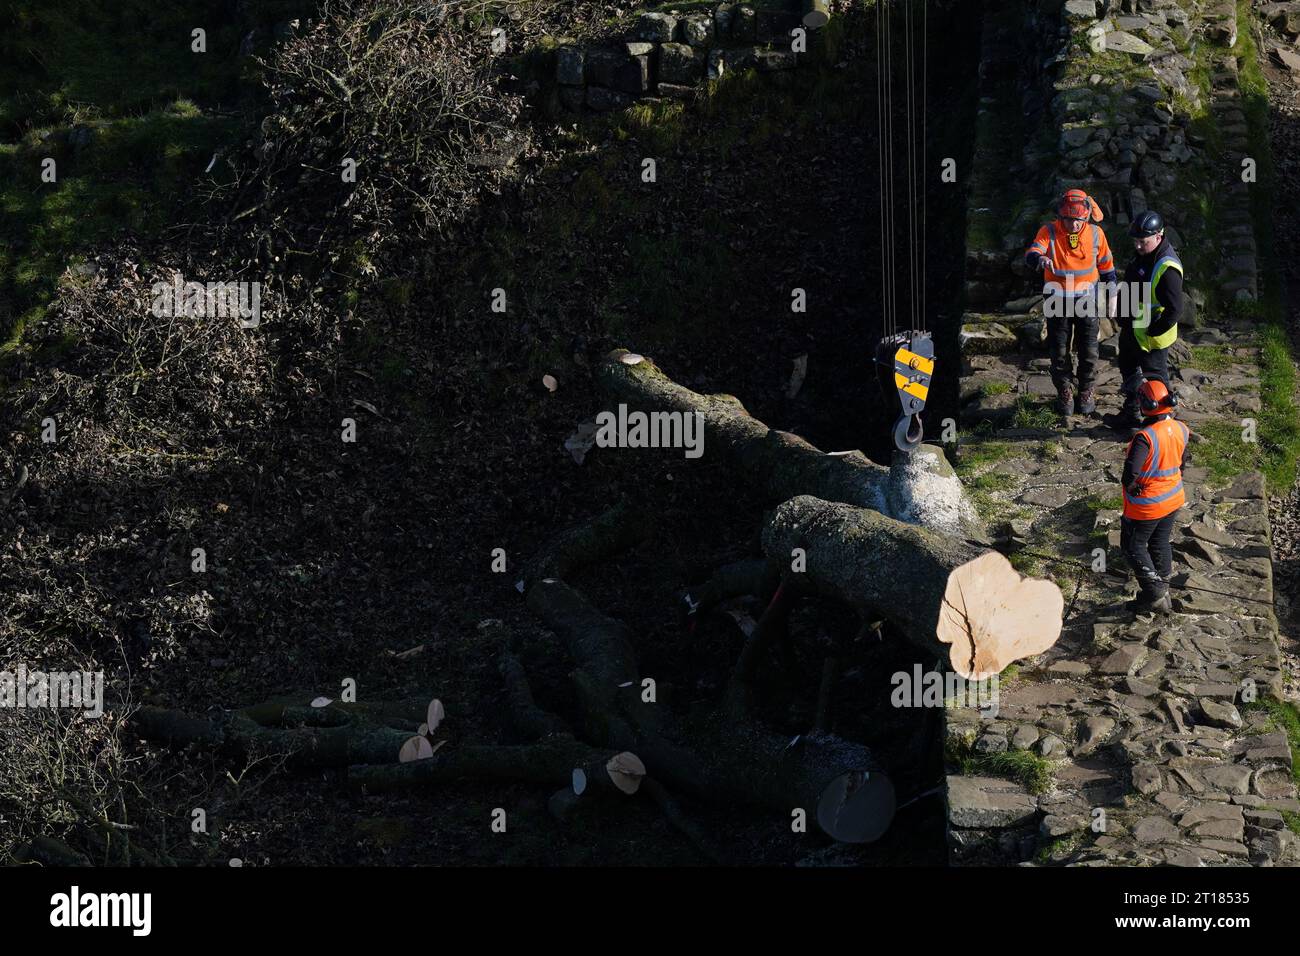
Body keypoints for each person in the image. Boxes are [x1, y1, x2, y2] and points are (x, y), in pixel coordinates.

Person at [1025, 188, 1118, 416]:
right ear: (1061, 216)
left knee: (1089, 348)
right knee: (1058, 348)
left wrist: (1113, 296)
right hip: (1057, 298)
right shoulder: (1049, 231)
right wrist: (1041, 258)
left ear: (1086, 216)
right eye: (1068, 220)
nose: (1073, 225)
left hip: (1087, 299)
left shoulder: (1096, 234)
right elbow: (1032, 253)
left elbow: (1107, 267)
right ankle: (1064, 390)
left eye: (1078, 220)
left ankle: (1086, 389)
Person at [1105, 210, 1184, 431]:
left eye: (1143, 241)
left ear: (1158, 236)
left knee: (1156, 381)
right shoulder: (1146, 254)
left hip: (1150, 336)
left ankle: (1160, 427)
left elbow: (1175, 309)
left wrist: (1154, 331)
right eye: (1136, 241)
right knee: (1128, 369)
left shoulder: (1167, 268)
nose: (1138, 246)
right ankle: (1131, 414)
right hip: (1133, 328)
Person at [1120, 377, 1189, 615]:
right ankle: (1163, 586)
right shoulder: (1181, 428)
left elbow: (1130, 473)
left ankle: (1154, 594)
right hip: (1173, 498)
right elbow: (1182, 464)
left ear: (1146, 404)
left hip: (1147, 506)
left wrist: (1130, 487)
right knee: (1159, 542)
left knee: (1133, 546)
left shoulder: (1145, 437)